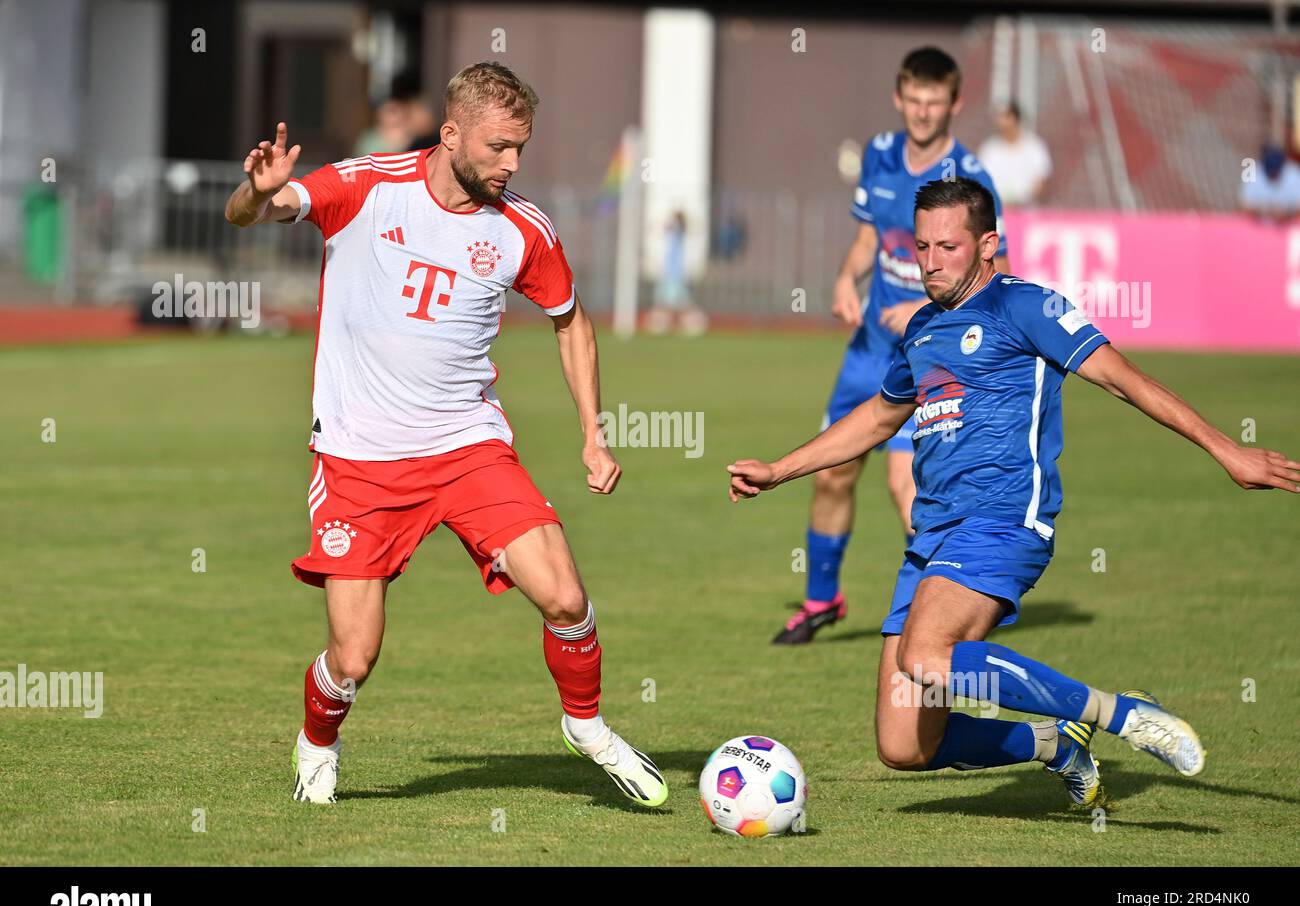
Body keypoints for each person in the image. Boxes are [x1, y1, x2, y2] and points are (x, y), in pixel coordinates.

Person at [728, 178, 1299, 807]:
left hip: (1003, 521)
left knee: (928, 656)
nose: (929, 261)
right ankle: (1054, 743)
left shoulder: (1027, 307)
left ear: (988, 245)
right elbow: (878, 418)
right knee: (905, 746)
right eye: (921, 246)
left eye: (947, 246)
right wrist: (781, 470)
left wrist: (1227, 449)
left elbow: (1126, 380)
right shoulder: (920, 327)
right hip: (932, 536)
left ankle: (1121, 711)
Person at [223, 61, 666, 808]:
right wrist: (256, 191)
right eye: (498, 147)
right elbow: (251, 213)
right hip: (360, 457)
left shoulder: (524, 229)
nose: (512, 164)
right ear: (451, 132)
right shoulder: (366, 185)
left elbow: (571, 322)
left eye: (521, 148)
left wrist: (593, 431)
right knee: (354, 655)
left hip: (467, 449)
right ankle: (318, 744)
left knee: (564, 597)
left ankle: (587, 727)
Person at [774, 47, 1009, 645]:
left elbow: (997, 273)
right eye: (915, 100)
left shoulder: (971, 176)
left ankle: (943, 618)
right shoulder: (878, 155)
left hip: (930, 359)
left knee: (907, 489)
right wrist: (843, 282)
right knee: (831, 474)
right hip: (866, 351)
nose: (924, 112)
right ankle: (822, 598)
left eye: (936, 102)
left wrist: (927, 310)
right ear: (899, 98)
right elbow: (866, 242)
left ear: (954, 104)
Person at [976, 102, 1051, 208]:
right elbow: (981, 180)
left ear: (1016, 118)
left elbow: (1042, 180)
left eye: (1006, 117)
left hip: (1027, 211)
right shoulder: (990, 148)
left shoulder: (1034, 146)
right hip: (997, 212)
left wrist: (1022, 200)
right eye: (999, 117)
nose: (1001, 122)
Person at [1240, 144, 1300, 222]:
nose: (1273, 173)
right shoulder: (1253, 172)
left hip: (1288, 224)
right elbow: (1243, 204)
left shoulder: (1293, 173)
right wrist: (1263, 210)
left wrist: (1287, 212)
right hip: (1258, 224)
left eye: (1275, 169)